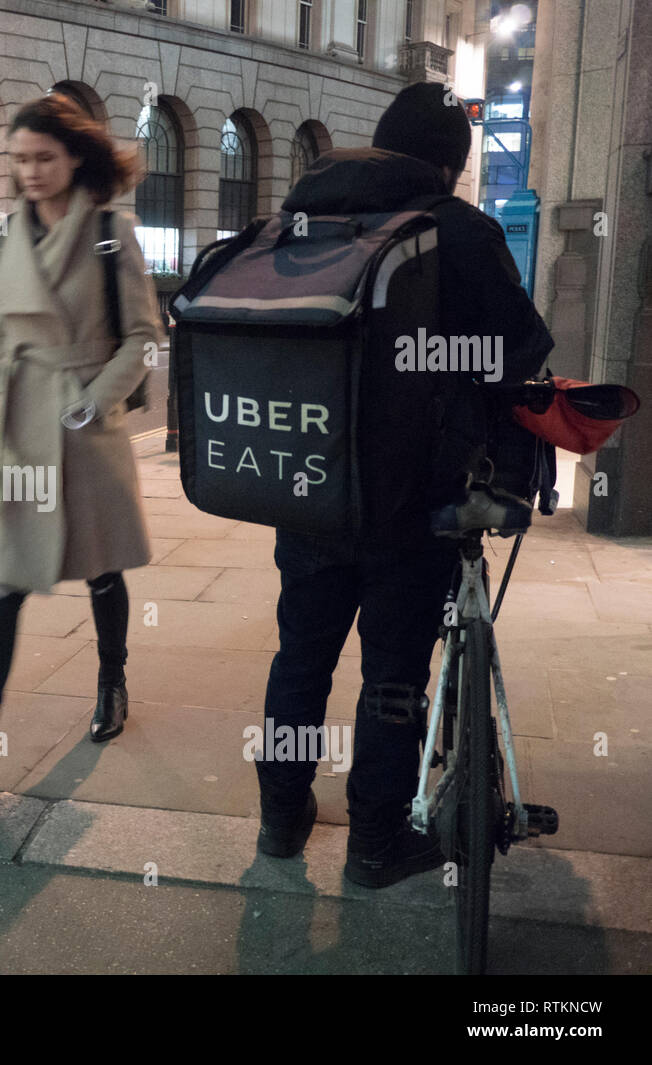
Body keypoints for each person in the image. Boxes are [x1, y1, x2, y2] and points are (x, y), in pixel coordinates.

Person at [254, 82, 554, 887]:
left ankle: (281, 819)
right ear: (451, 164)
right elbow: (518, 352)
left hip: (310, 489)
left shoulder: (299, 222)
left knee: (299, 661)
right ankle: (375, 842)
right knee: (392, 677)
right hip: (416, 501)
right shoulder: (458, 230)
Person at [0, 93, 161, 796]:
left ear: (74, 156)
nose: (29, 171)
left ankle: (111, 680)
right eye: (19, 159)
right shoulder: (1, 233)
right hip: (24, 424)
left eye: (43, 157)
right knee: (4, 581)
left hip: (86, 427)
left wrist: (92, 402)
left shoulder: (113, 230)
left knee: (102, 568)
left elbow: (145, 338)